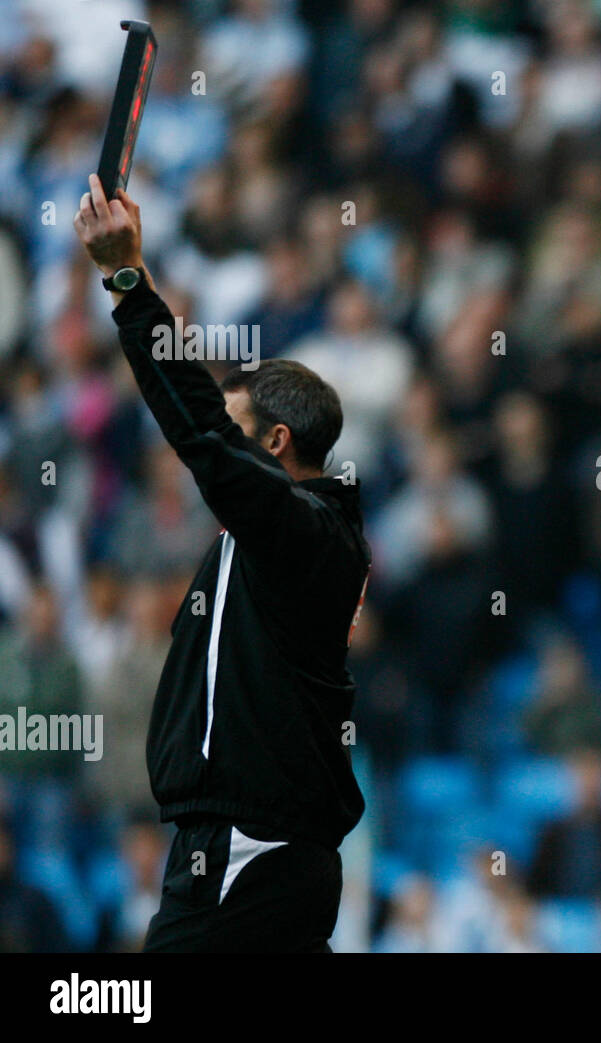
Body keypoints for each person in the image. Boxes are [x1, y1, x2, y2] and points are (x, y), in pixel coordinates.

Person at [74, 174, 371, 952]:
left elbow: (198, 427)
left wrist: (127, 279)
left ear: (274, 445)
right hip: (256, 847)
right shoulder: (283, 538)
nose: (219, 449)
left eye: (240, 430)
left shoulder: (302, 531)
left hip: (247, 850)